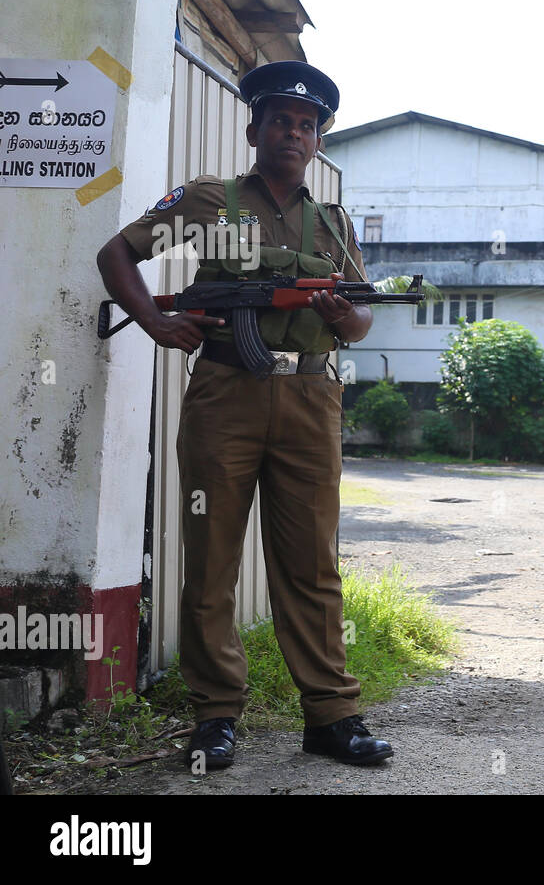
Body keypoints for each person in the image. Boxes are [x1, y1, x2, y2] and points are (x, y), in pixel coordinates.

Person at [95, 61, 393, 767]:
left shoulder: (332, 220)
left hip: (312, 399)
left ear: (318, 140)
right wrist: (158, 325)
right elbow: (118, 255)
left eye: (307, 124)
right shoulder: (209, 198)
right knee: (212, 559)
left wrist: (340, 312)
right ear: (254, 128)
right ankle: (215, 716)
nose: (294, 132)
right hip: (225, 392)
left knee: (312, 565)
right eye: (282, 120)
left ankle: (330, 716)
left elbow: (360, 326)